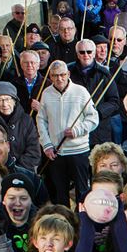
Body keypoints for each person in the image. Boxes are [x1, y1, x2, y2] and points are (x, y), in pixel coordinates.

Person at [37, 61, 99, 205]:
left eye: (62, 75)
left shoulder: (81, 91)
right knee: (60, 193)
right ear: (50, 77)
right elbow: (41, 120)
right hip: (56, 151)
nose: (59, 79)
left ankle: (82, 222)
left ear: (68, 74)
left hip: (79, 150)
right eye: (55, 75)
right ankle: (64, 222)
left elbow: (93, 118)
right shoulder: (46, 93)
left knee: (82, 192)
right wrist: (46, 145)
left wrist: (77, 130)